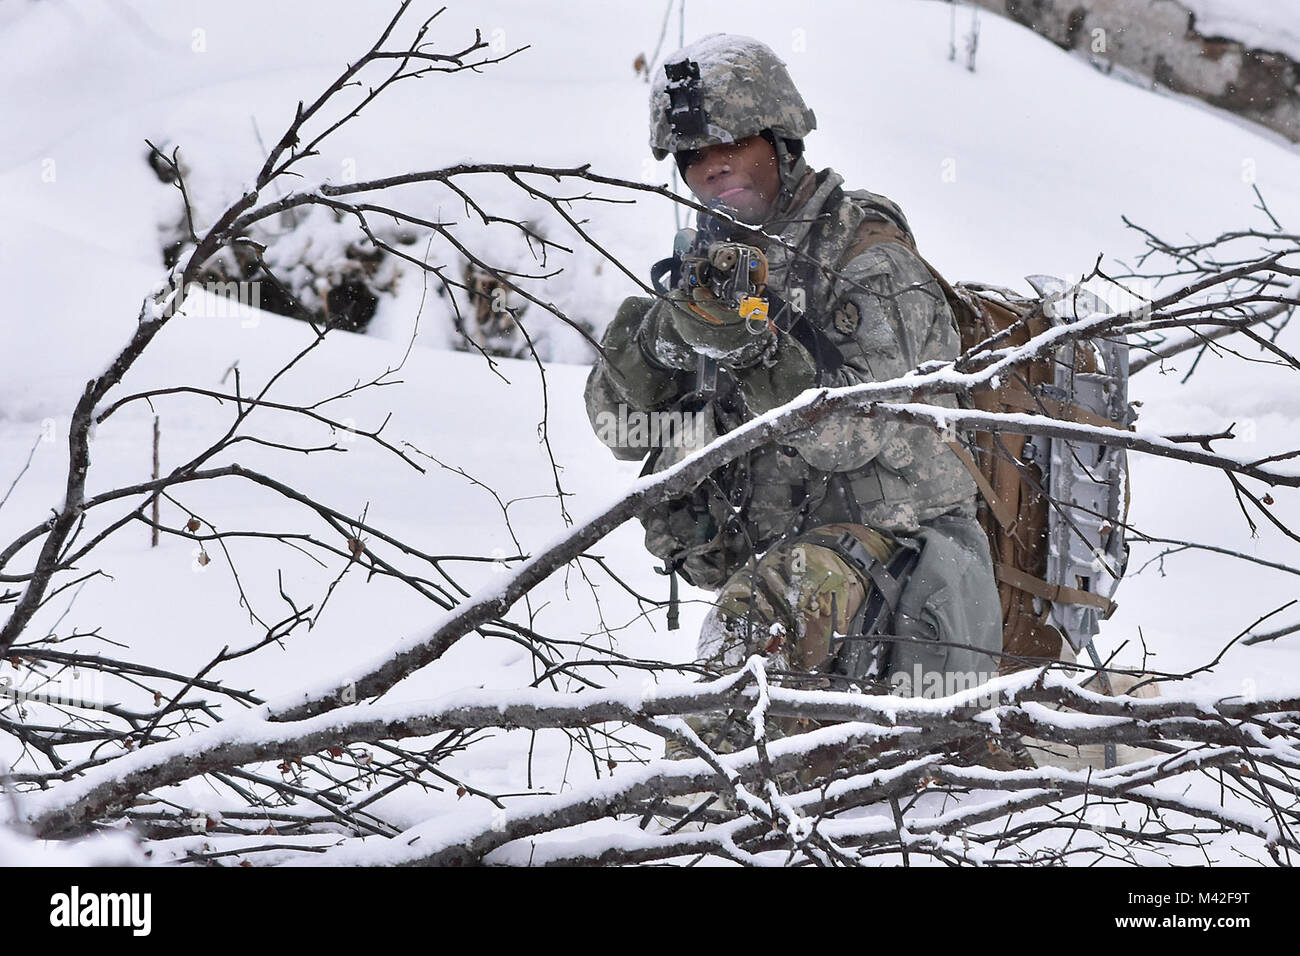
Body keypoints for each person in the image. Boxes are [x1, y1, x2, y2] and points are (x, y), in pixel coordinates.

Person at [584, 34, 1006, 769]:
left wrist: (750, 347)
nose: (708, 162)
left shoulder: (871, 261)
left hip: (904, 565)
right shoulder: (715, 265)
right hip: (796, 573)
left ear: (779, 139)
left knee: (754, 635)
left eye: (729, 139)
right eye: (689, 153)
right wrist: (663, 343)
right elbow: (618, 427)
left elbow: (851, 437)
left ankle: (705, 816)